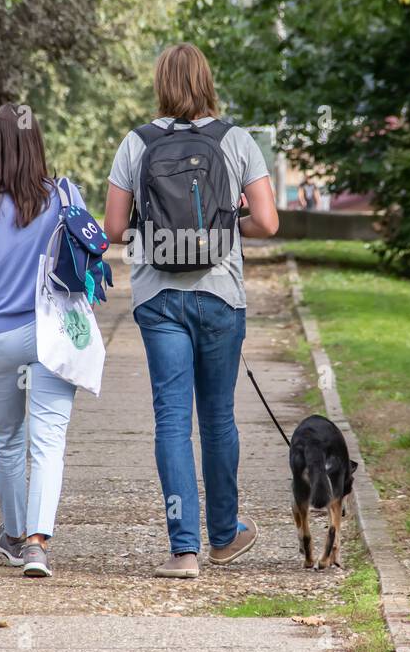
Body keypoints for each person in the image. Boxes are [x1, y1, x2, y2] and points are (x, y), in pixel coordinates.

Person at [103, 42, 279, 579]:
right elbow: (267, 224)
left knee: (172, 422)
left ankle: (184, 551)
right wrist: (225, 226)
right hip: (220, 295)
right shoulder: (236, 141)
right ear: (207, 81)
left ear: (161, 83)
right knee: (219, 418)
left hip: (158, 297)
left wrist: (156, 232)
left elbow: (113, 229)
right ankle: (224, 536)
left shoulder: (136, 143)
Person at [0, 103, 86, 578]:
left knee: (7, 438)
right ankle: (36, 544)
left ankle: (12, 533)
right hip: (52, 334)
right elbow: (88, 263)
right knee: (48, 439)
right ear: (36, 143)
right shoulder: (64, 197)